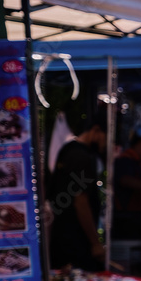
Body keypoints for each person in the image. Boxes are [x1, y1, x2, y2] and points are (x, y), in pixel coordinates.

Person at [49, 114, 107, 271]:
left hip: (60, 240)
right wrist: (95, 244)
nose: (104, 146)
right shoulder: (82, 157)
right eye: (105, 139)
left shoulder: (66, 150)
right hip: (76, 243)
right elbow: (81, 202)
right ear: (95, 131)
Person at [113, 132, 141, 240]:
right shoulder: (125, 160)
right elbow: (125, 181)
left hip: (138, 218)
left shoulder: (138, 163)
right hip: (126, 221)